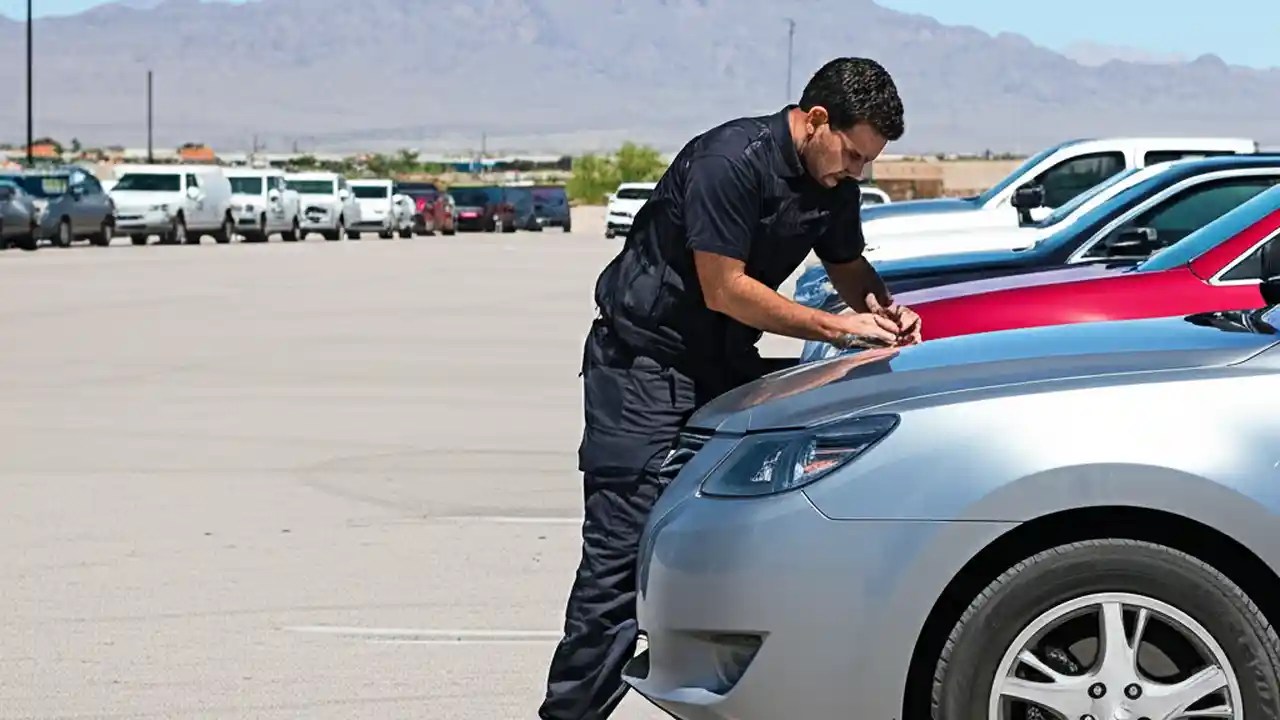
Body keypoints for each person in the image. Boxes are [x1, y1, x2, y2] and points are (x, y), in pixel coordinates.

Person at [538, 56, 921, 720]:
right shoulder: (728, 161)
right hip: (641, 369)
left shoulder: (833, 184)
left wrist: (883, 313)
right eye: (854, 155)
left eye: (868, 163)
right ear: (817, 120)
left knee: (746, 535)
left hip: (722, 366)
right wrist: (839, 329)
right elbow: (726, 288)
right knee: (620, 565)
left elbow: (848, 266)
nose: (857, 172)